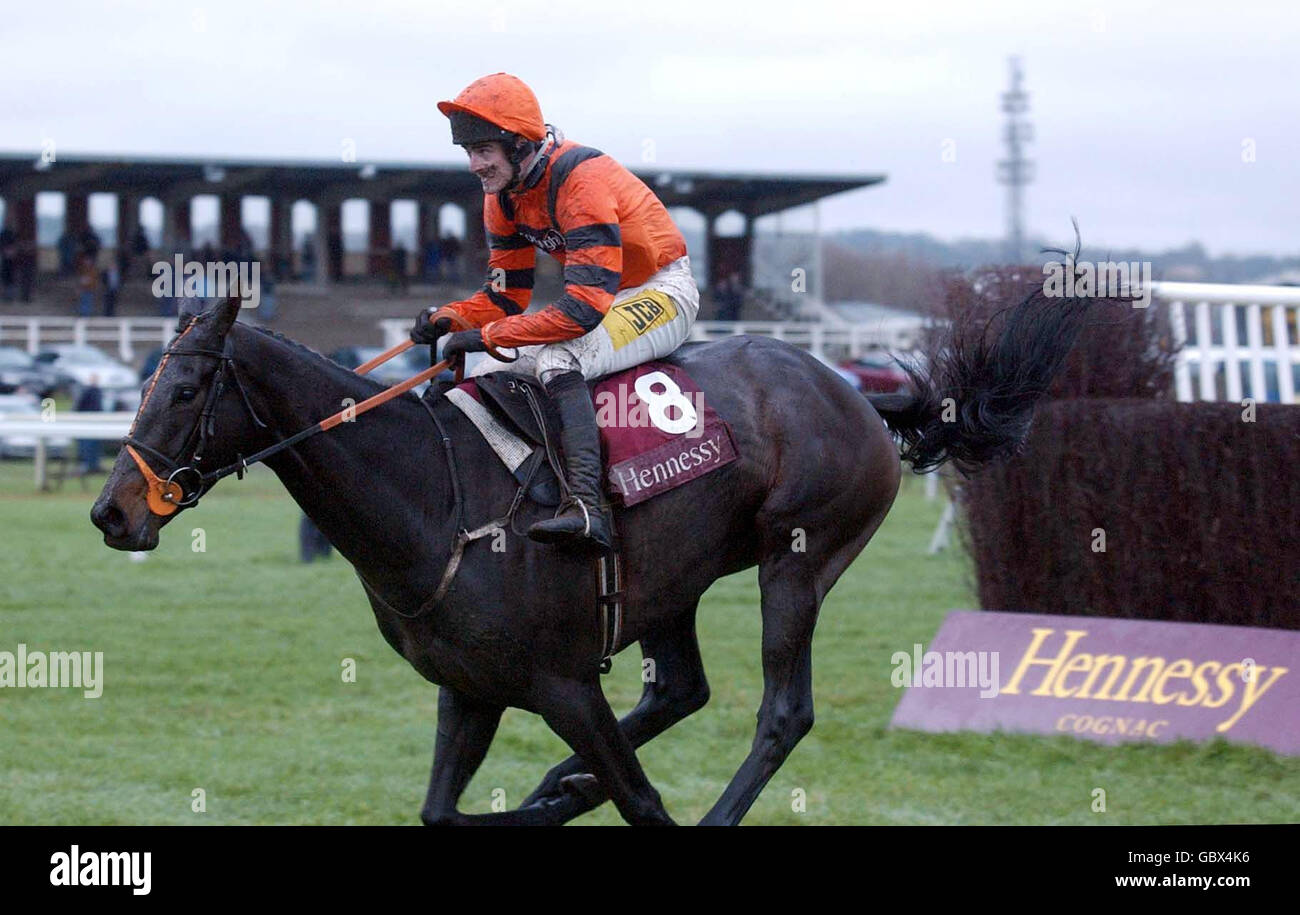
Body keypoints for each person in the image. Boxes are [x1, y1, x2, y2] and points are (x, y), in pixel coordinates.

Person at [410, 72, 699, 550]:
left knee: (558, 357)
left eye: (483, 150)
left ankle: (587, 507)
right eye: (468, 152)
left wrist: (488, 335)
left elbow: (581, 312)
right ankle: (536, 483)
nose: (473, 165)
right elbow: (505, 298)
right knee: (481, 373)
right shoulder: (500, 197)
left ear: (519, 145)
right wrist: (451, 318)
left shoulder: (581, 181)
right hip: (604, 298)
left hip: (662, 291)